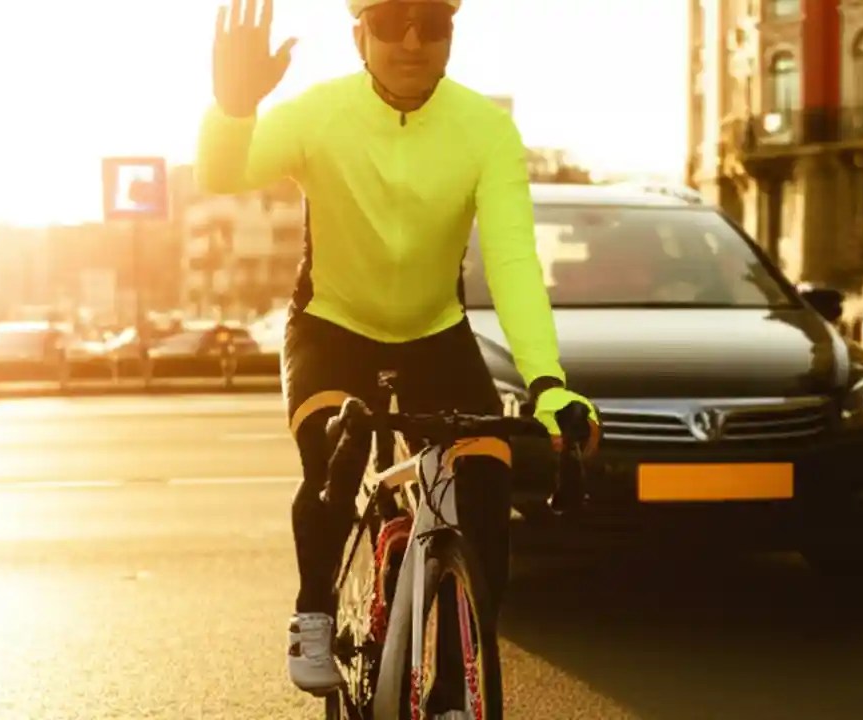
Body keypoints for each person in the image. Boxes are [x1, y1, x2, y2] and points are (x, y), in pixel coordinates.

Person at [198, 0, 601, 694]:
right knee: (335, 452)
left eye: (432, 22)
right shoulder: (319, 113)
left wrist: (546, 381)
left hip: (435, 332)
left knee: (485, 483)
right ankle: (314, 610)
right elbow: (221, 176)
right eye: (390, 21)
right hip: (331, 326)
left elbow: (512, 262)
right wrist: (234, 112)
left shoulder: (485, 129)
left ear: (452, 33)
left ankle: (454, 683)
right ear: (359, 33)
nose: (412, 40)